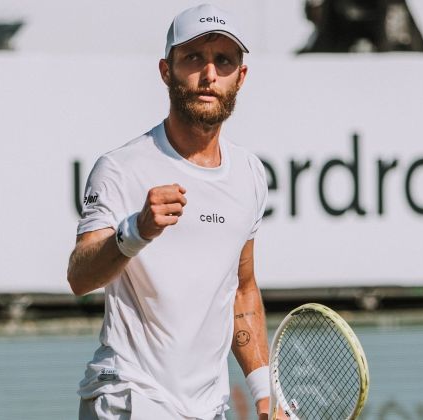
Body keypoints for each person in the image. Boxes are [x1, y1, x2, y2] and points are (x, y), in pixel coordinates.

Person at [67, 4, 282, 419]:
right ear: (166, 71)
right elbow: (79, 276)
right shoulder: (119, 168)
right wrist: (135, 232)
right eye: (194, 58)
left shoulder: (250, 174)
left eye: (223, 61)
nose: (209, 74)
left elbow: (242, 289)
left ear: (241, 76)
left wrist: (263, 392)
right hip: (128, 398)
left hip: (209, 407)